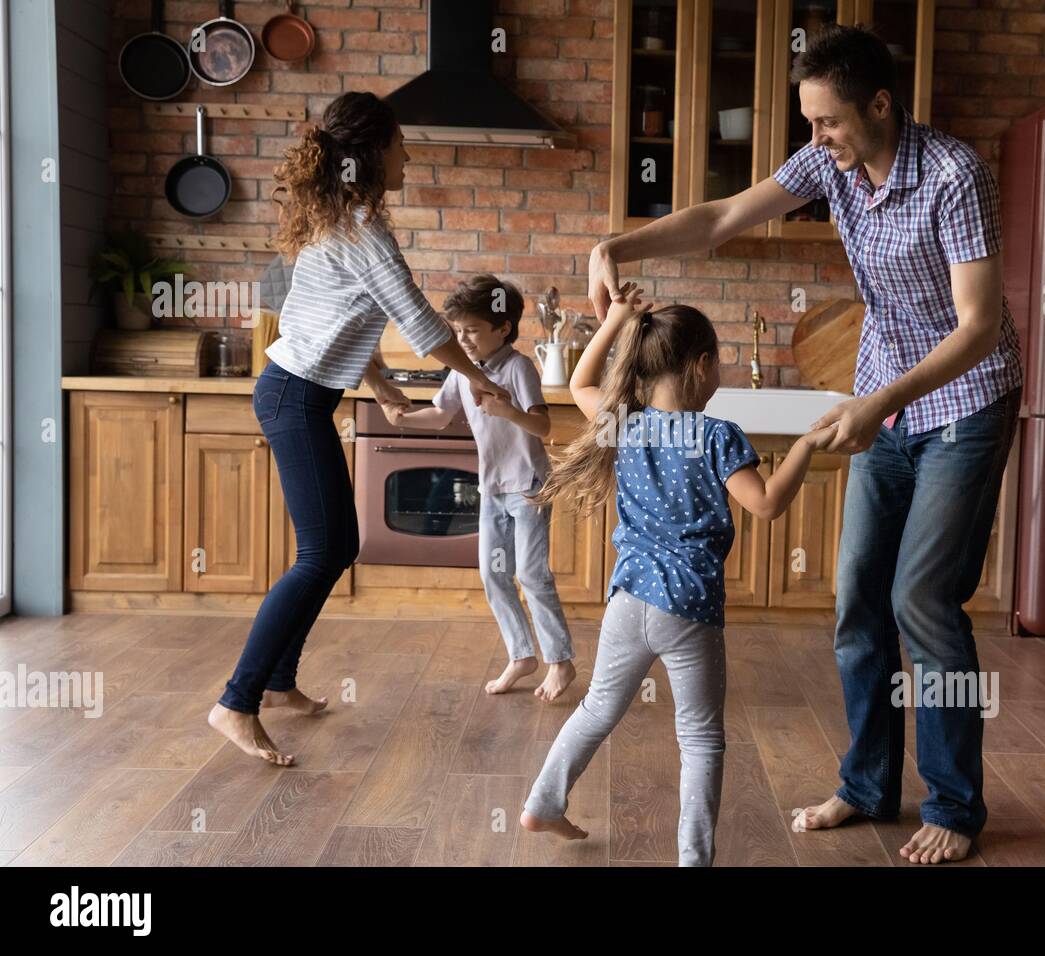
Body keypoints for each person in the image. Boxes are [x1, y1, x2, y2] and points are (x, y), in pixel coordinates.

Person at [585, 26, 1023, 863]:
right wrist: (619, 242)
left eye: (828, 122)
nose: (815, 139)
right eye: (811, 123)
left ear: (881, 105)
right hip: (884, 400)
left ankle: (957, 806)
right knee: (856, 598)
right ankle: (866, 786)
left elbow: (977, 326)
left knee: (923, 601)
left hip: (965, 402)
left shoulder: (954, 176)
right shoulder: (832, 165)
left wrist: (881, 400)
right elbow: (719, 218)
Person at [208, 92, 509, 766]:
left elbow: (339, 322)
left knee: (335, 547)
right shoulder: (362, 232)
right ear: (372, 153)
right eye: (400, 143)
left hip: (301, 394)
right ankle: (236, 701)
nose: (406, 155)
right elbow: (422, 323)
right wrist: (480, 376)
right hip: (294, 397)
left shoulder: (346, 221)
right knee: (323, 551)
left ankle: (279, 682)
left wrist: (380, 386)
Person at [518, 283, 837, 866]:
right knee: (700, 738)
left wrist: (615, 319)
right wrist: (807, 446)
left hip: (627, 599)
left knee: (595, 710)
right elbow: (765, 503)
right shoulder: (717, 437)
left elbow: (582, 384)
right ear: (702, 365)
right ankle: (693, 858)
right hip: (687, 608)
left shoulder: (627, 425)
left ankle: (542, 801)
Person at [381, 274, 578, 702]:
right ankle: (522, 655)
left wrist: (506, 410)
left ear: (503, 328)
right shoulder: (461, 372)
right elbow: (439, 414)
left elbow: (542, 426)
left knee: (530, 573)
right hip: (491, 488)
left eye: (471, 330)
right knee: (493, 573)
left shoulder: (519, 367)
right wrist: (402, 419)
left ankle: (560, 661)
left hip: (528, 487)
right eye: (457, 331)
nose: (463, 339)